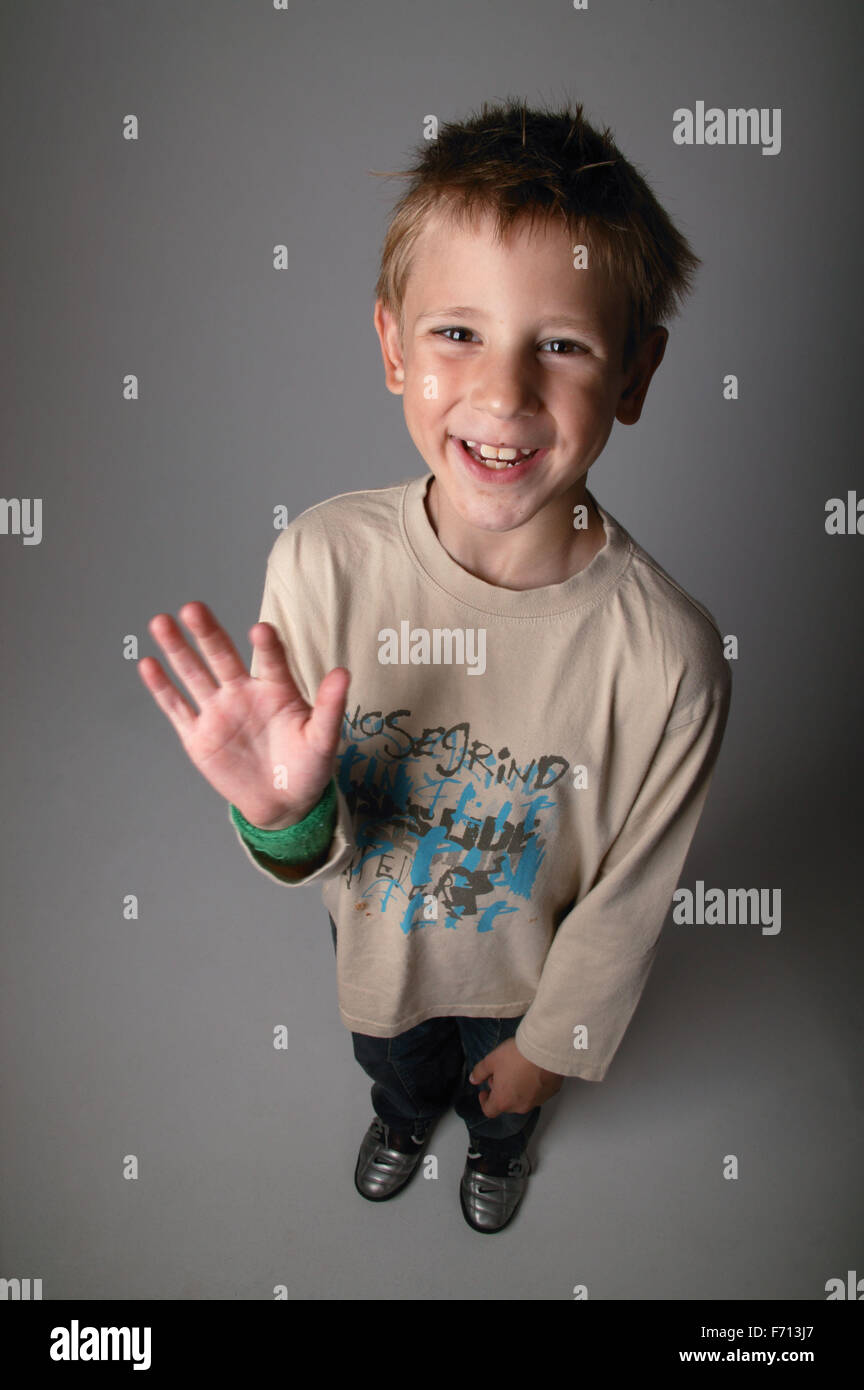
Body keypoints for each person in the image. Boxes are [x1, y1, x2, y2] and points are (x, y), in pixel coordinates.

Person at [138, 99, 732, 1235]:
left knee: (501, 1102)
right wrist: (279, 815)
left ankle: (498, 1147)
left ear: (637, 375)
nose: (504, 393)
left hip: (525, 978)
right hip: (379, 948)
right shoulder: (319, 561)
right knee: (395, 1066)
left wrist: (551, 1047)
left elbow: (626, 902)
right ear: (393, 347)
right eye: (458, 332)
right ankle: (406, 1122)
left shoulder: (670, 658)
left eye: (560, 344)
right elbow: (315, 840)